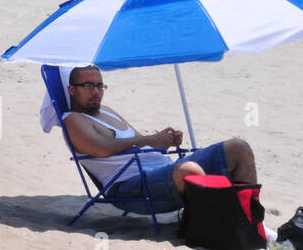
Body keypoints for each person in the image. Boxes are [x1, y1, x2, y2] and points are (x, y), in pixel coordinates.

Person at [61, 64, 258, 213]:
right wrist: (150, 140)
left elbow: (140, 143)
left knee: (239, 148)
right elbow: (103, 149)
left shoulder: (107, 111)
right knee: (190, 171)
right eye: (88, 85)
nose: (96, 91)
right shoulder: (73, 119)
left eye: (99, 85)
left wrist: (165, 142)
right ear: (72, 90)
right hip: (130, 186)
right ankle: (228, 222)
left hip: (162, 171)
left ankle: (249, 221)